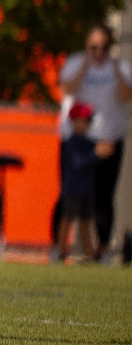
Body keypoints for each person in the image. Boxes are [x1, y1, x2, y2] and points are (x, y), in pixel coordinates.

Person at [58, 26, 130, 254]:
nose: (99, 53)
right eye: (94, 47)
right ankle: (59, 247)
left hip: (109, 139)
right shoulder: (76, 62)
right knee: (69, 196)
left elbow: (126, 96)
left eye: (104, 48)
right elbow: (66, 88)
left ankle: (100, 248)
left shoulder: (120, 68)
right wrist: (84, 67)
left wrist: (117, 72)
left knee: (101, 199)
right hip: (78, 139)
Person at [59, 103, 102, 264]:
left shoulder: (89, 142)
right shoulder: (71, 142)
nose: (87, 123)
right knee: (68, 219)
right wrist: (96, 155)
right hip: (73, 188)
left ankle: (90, 254)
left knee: (86, 222)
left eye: (88, 120)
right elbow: (77, 163)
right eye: (84, 119)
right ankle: (62, 251)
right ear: (74, 121)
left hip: (86, 189)